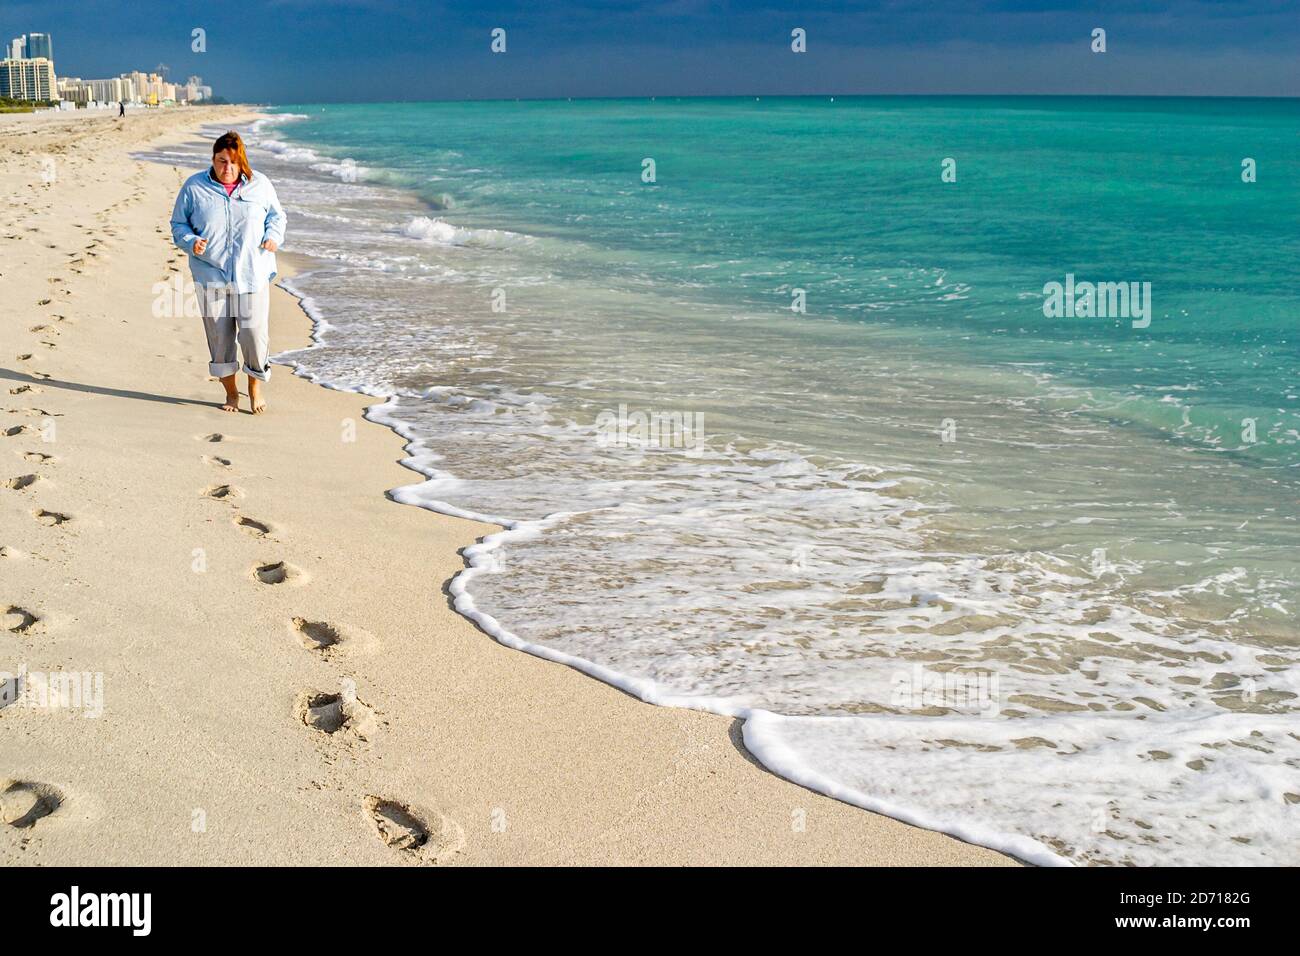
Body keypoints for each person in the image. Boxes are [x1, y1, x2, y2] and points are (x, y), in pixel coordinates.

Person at [170, 130, 286, 413]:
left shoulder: (260, 185)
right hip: (212, 276)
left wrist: (273, 236)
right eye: (221, 161)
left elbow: (277, 216)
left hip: (252, 274)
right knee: (220, 339)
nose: (227, 168)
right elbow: (178, 224)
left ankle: (254, 387)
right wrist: (190, 241)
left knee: (254, 335)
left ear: (242, 162)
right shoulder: (194, 187)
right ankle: (231, 393)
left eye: (233, 162)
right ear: (213, 159)